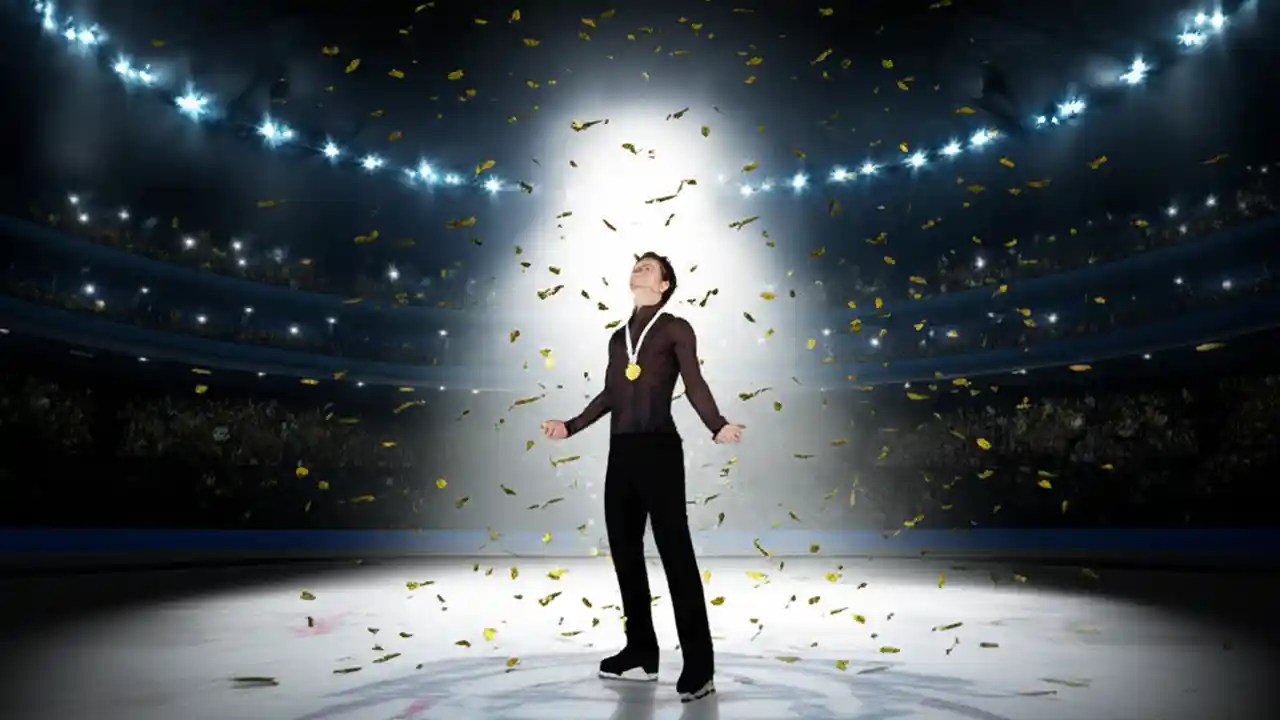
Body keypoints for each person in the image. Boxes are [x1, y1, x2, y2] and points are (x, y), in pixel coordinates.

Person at [541, 251, 743, 704]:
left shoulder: (675, 328)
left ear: (666, 284)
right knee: (625, 553)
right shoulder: (618, 338)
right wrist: (571, 426)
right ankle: (641, 651)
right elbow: (612, 392)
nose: (639, 271)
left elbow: (694, 383)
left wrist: (717, 425)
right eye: (636, 266)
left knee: (675, 555)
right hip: (622, 452)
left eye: (649, 268)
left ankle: (699, 665)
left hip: (659, 451)